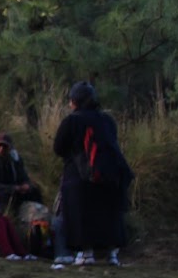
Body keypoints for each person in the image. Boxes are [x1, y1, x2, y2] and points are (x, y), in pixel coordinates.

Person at [53, 81, 133, 267]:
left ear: (74, 101)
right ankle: (112, 255)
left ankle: (85, 253)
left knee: (80, 213)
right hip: (111, 176)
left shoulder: (72, 121)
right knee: (110, 214)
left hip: (81, 176)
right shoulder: (107, 120)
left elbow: (58, 148)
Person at [0, 132, 43, 209]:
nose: (1, 149)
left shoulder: (14, 159)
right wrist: (13, 188)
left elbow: (23, 176)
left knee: (34, 192)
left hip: (13, 191)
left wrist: (26, 185)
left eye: (5, 146)